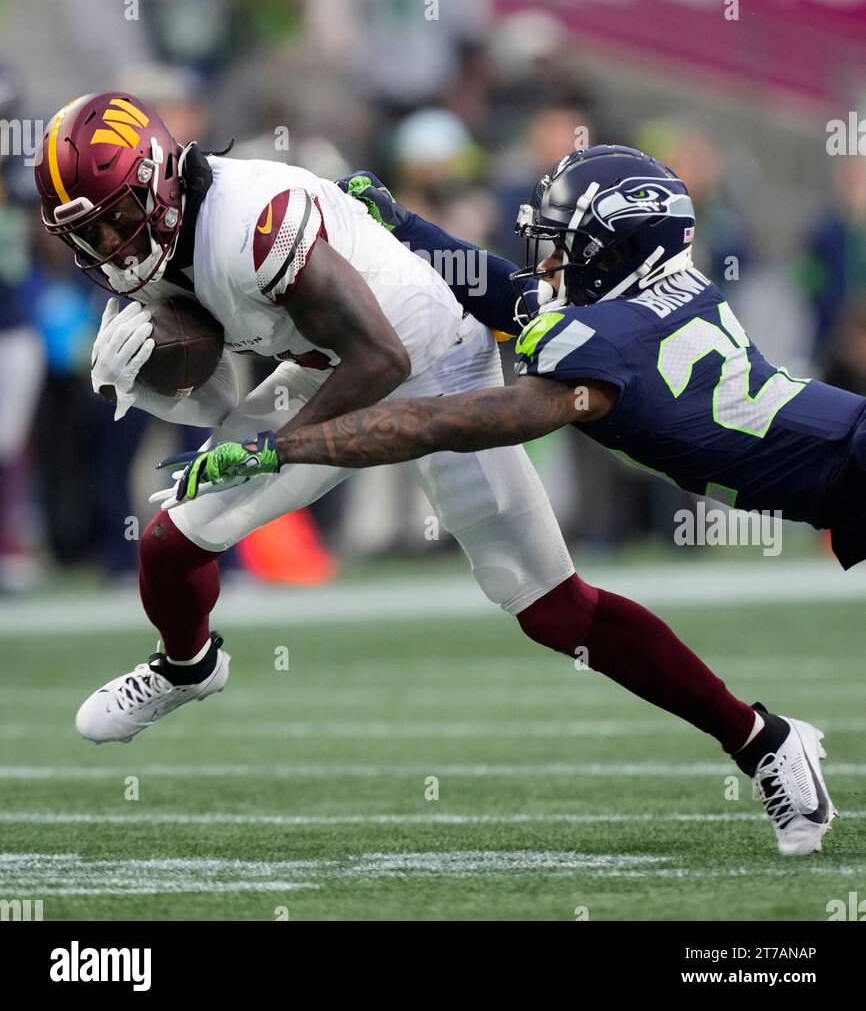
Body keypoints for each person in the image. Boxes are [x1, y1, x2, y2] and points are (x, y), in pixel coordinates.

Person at [176, 148, 860, 857]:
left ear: (619, 248)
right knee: (550, 609)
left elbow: (443, 422)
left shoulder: (606, 342)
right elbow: (509, 294)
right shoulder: (653, 301)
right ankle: (768, 745)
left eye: (566, 250)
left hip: (853, 466)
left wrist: (287, 446)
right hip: (842, 465)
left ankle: (770, 746)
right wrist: (404, 223)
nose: (549, 267)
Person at [35, 90, 578, 763]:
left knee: (555, 608)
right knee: (171, 542)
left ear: (156, 181)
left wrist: (275, 449)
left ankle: (748, 734)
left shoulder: (252, 223)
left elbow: (382, 356)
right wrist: (151, 379)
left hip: (431, 358)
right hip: (333, 366)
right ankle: (188, 667)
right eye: (91, 234)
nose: (111, 247)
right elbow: (212, 398)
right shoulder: (166, 235)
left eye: (117, 221)